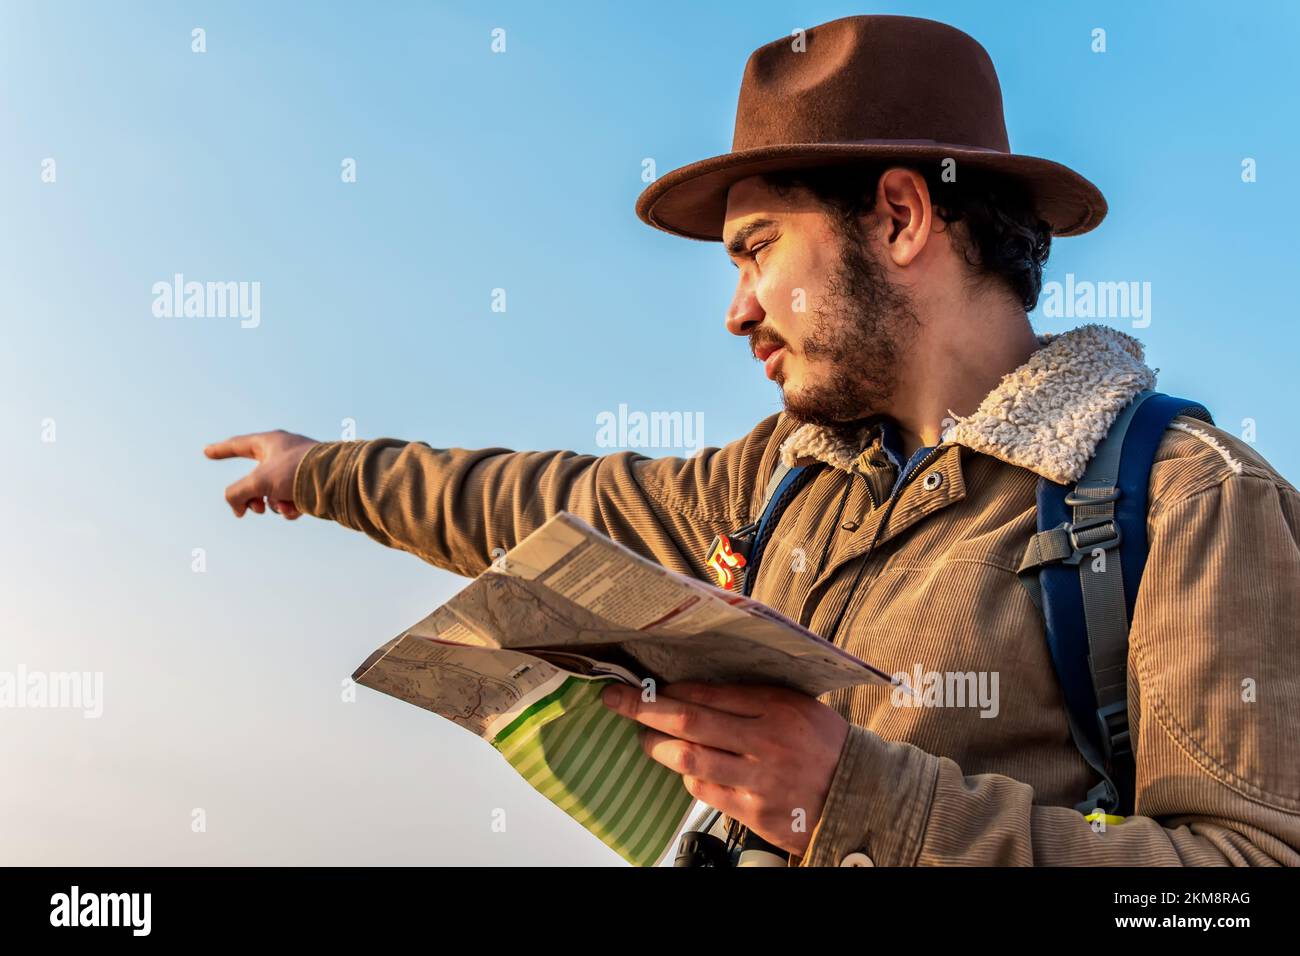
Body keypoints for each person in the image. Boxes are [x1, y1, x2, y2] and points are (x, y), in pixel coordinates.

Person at [205, 15, 1300, 866]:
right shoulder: (779, 478)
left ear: (901, 217)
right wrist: (322, 470)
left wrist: (855, 799)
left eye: (757, 249)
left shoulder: (1190, 501)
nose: (736, 311)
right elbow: (538, 502)